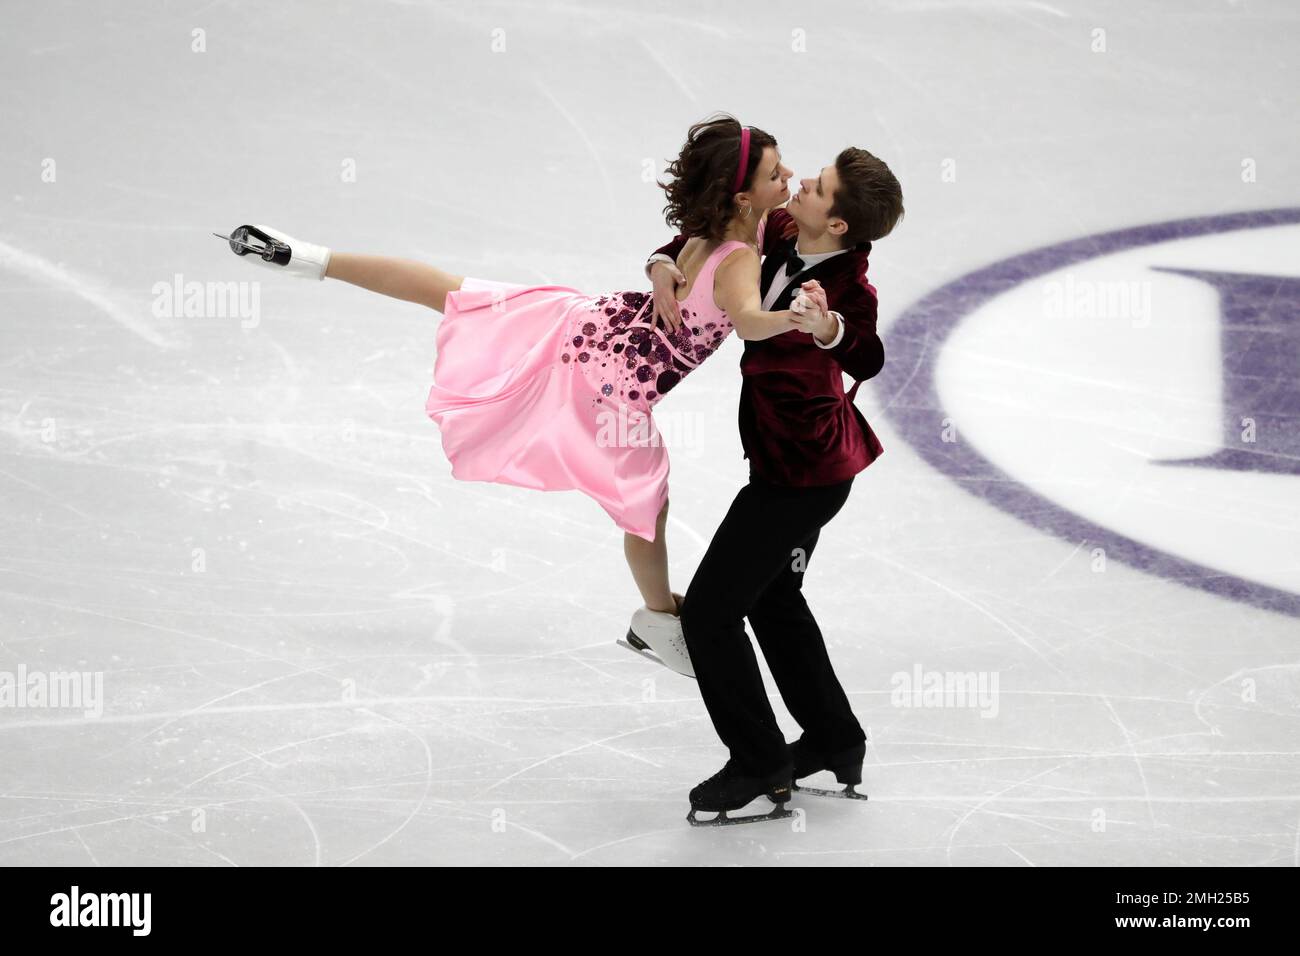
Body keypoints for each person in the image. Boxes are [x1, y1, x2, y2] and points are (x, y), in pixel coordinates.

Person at [217, 115, 797, 673]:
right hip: (613, 385)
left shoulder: (713, 229)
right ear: (742, 197)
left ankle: (313, 259)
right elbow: (746, 319)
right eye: (776, 174)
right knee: (645, 504)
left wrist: (659, 261)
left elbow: (689, 248)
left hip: (585, 323)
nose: (789, 177)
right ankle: (659, 621)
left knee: (452, 292)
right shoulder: (741, 255)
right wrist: (797, 318)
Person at [645, 147, 905, 825]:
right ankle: (835, 739)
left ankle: (760, 766)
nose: (802, 184)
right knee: (774, 599)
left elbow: (869, 354)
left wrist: (829, 329)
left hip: (804, 476)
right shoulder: (783, 230)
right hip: (786, 463)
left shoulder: (850, 288)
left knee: (708, 611)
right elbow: (707, 231)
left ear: (840, 224)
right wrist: (663, 264)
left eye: (817, 187)